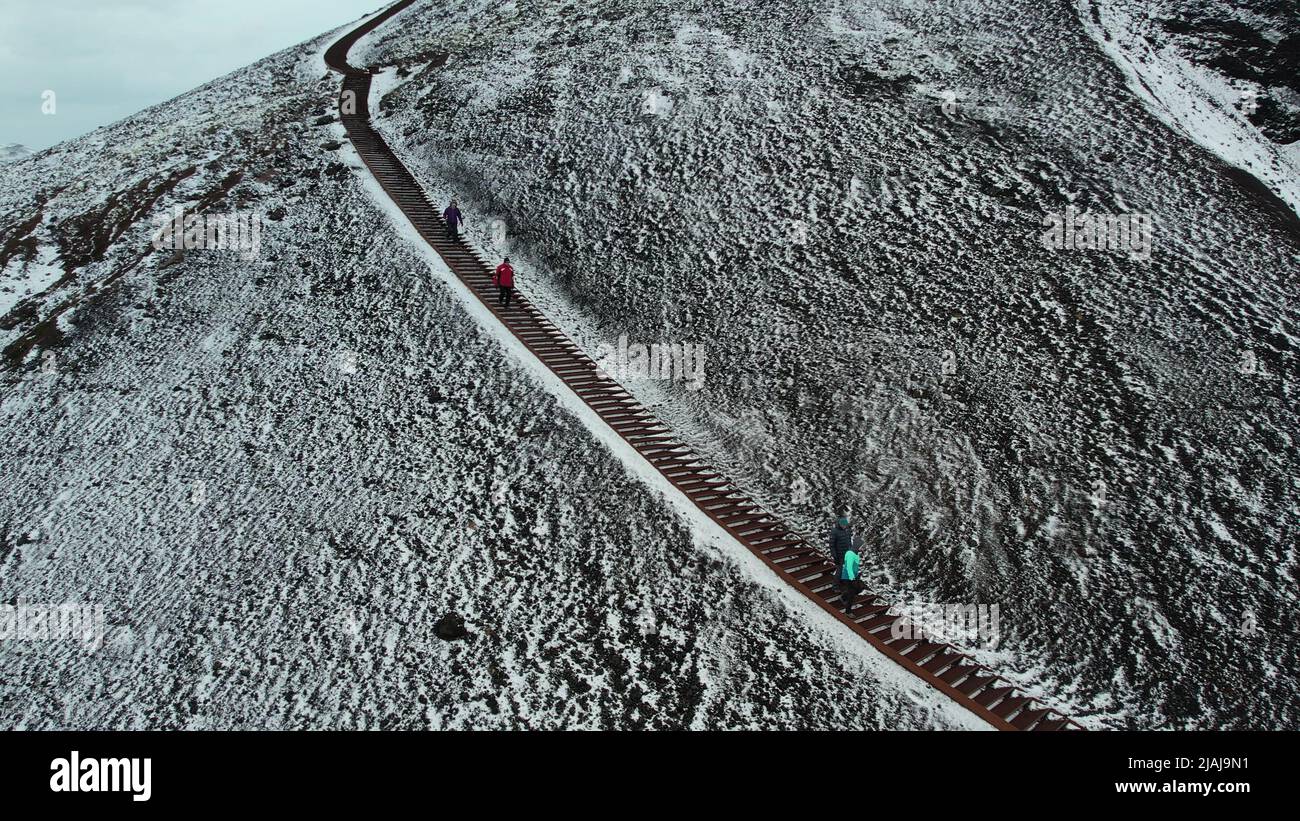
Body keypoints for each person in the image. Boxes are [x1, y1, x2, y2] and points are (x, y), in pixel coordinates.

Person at [839, 545, 862, 613]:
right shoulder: (850, 555)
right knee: (851, 594)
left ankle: (843, 597)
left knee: (858, 589)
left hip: (853, 576)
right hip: (849, 577)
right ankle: (848, 612)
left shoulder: (855, 555)